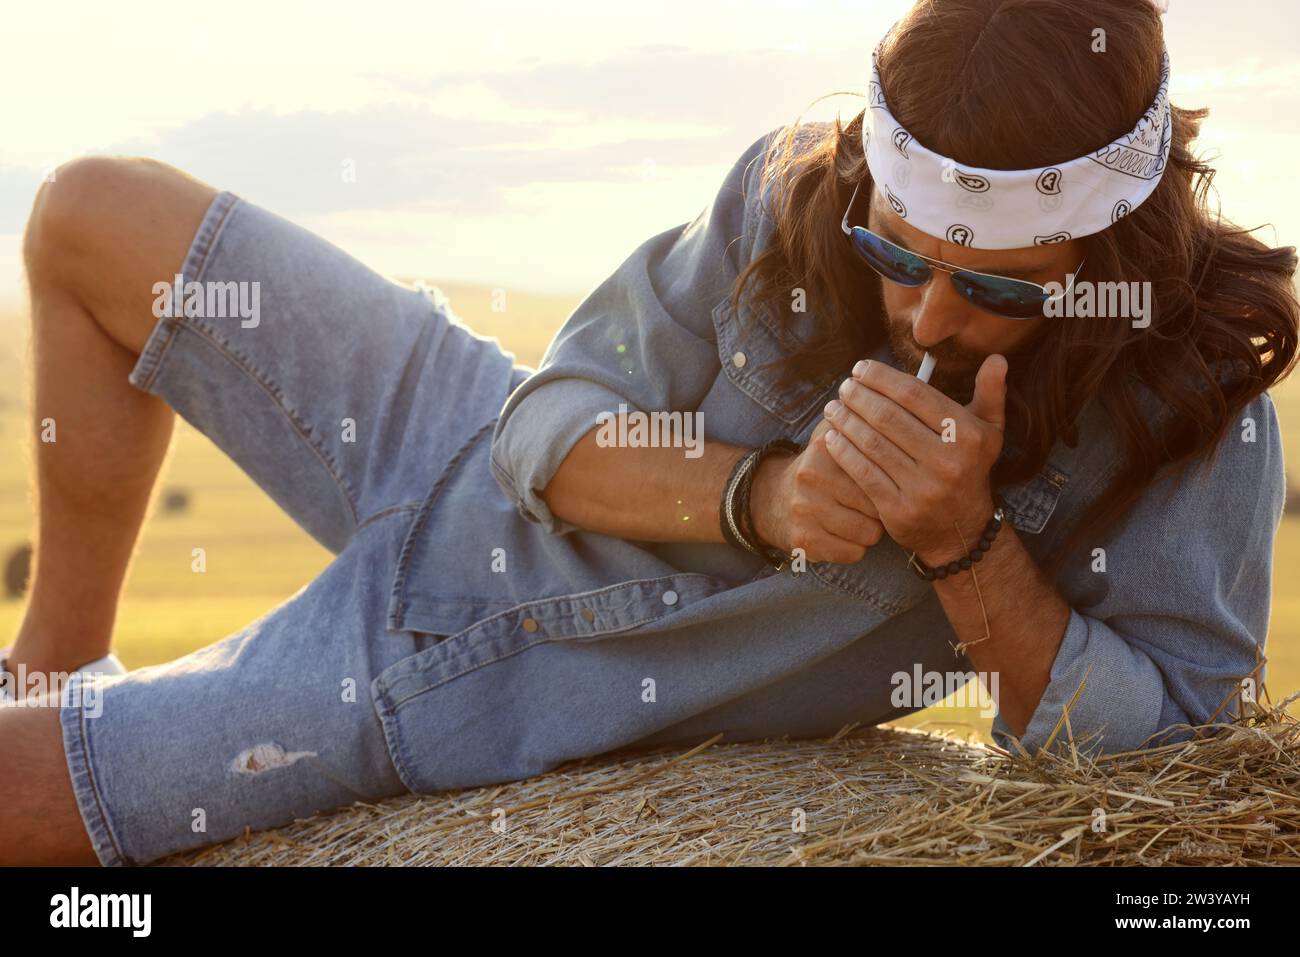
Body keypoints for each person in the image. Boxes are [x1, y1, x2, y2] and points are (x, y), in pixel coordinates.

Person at [1, 0, 1295, 866]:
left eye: (1001, 285)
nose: (930, 311)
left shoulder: (1197, 413)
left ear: (1117, 242)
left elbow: (1170, 738)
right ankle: (57, 660)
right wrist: (769, 495)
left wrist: (965, 549)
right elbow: (542, 425)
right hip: (456, 438)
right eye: (895, 254)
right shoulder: (789, 193)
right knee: (86, 211)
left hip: (478, 658)